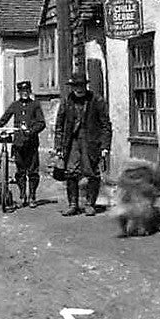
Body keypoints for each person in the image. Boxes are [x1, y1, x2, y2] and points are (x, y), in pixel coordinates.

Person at [53, 74, 112, 217]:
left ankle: (90, 204)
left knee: (92, 172)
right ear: (72, 87)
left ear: (85, 86)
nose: (78, 89)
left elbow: (106, 125)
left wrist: (105, 146)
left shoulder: (96, 100)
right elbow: (59, 125)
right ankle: (73, 204)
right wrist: (59, 146)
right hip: (71, 141)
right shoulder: (67, 101)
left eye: (80, 86)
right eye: (75, 86)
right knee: (70, 172)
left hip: (90, 141)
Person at [0, 80, 47, 209]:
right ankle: (22, 195)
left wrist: (31, 131)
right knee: (20, 171)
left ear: (30, 91)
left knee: (32, 171)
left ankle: (32, 196)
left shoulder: (35, 105)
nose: (24, 94)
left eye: (26, 91)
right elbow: (3, 119)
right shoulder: (15, 105)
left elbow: (41, 123)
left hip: (31, 143)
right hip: (18, 143)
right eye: (22, 92)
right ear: (19, 92)